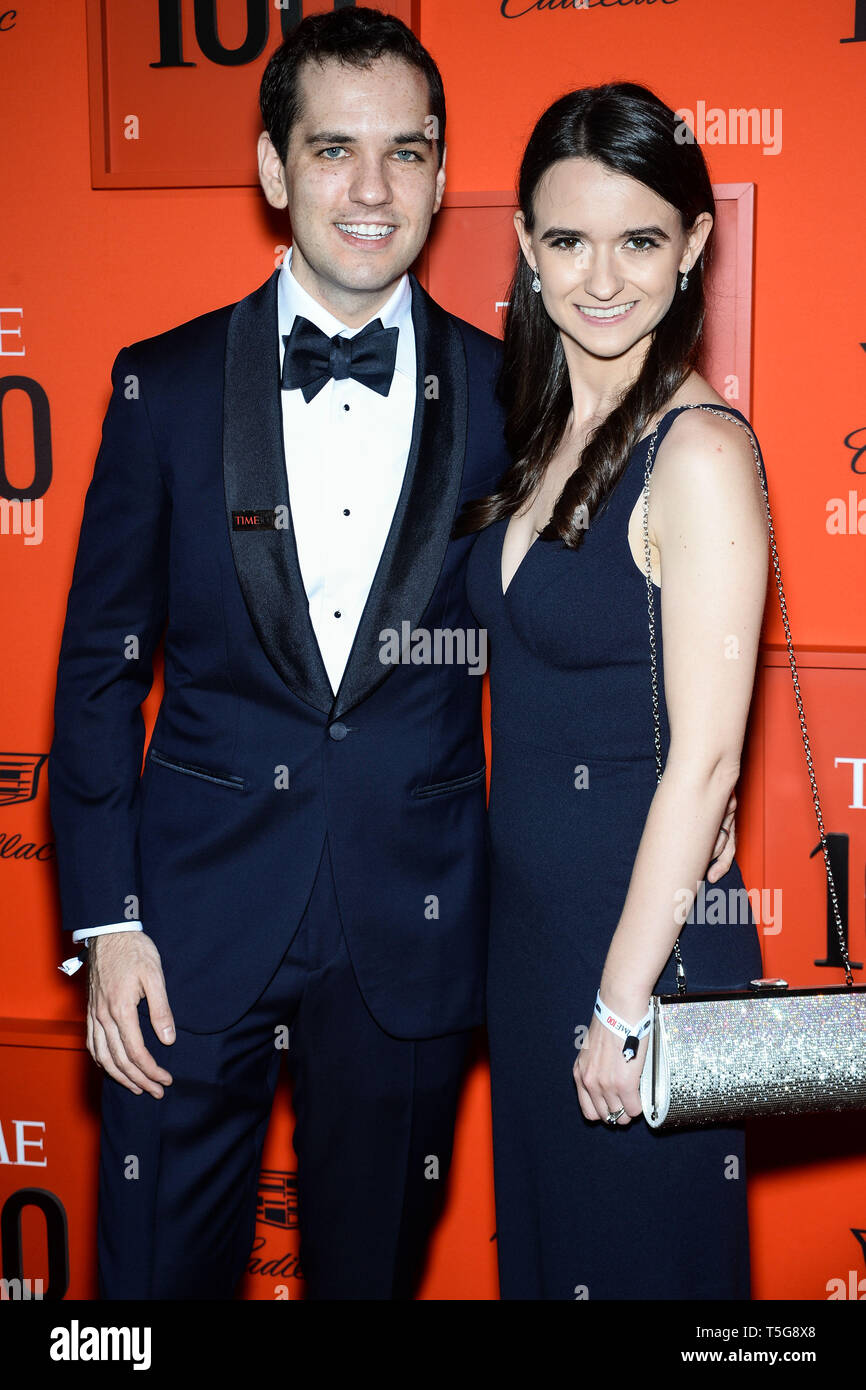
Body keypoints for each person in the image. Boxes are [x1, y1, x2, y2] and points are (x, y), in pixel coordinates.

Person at [48, 7, 512, 1301]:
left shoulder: (505, 392)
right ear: (271, 168)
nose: (371, 189)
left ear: (437, 170)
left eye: (406, 152)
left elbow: (547, 657)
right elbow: (98, 668)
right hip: (187, 924)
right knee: (144, 1291)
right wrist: (105, 919)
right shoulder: (166, 386)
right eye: (332, 150)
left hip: (409, 924)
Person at [462, 82, 769, 1300]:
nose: (601, 277)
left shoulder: (694, 454)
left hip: (640, 954)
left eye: (639, 239)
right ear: (526, 248)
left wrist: (622, 1000)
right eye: (568, 239)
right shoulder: (540, 426)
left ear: (693, 245)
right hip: (533, 939)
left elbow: (704, 758)